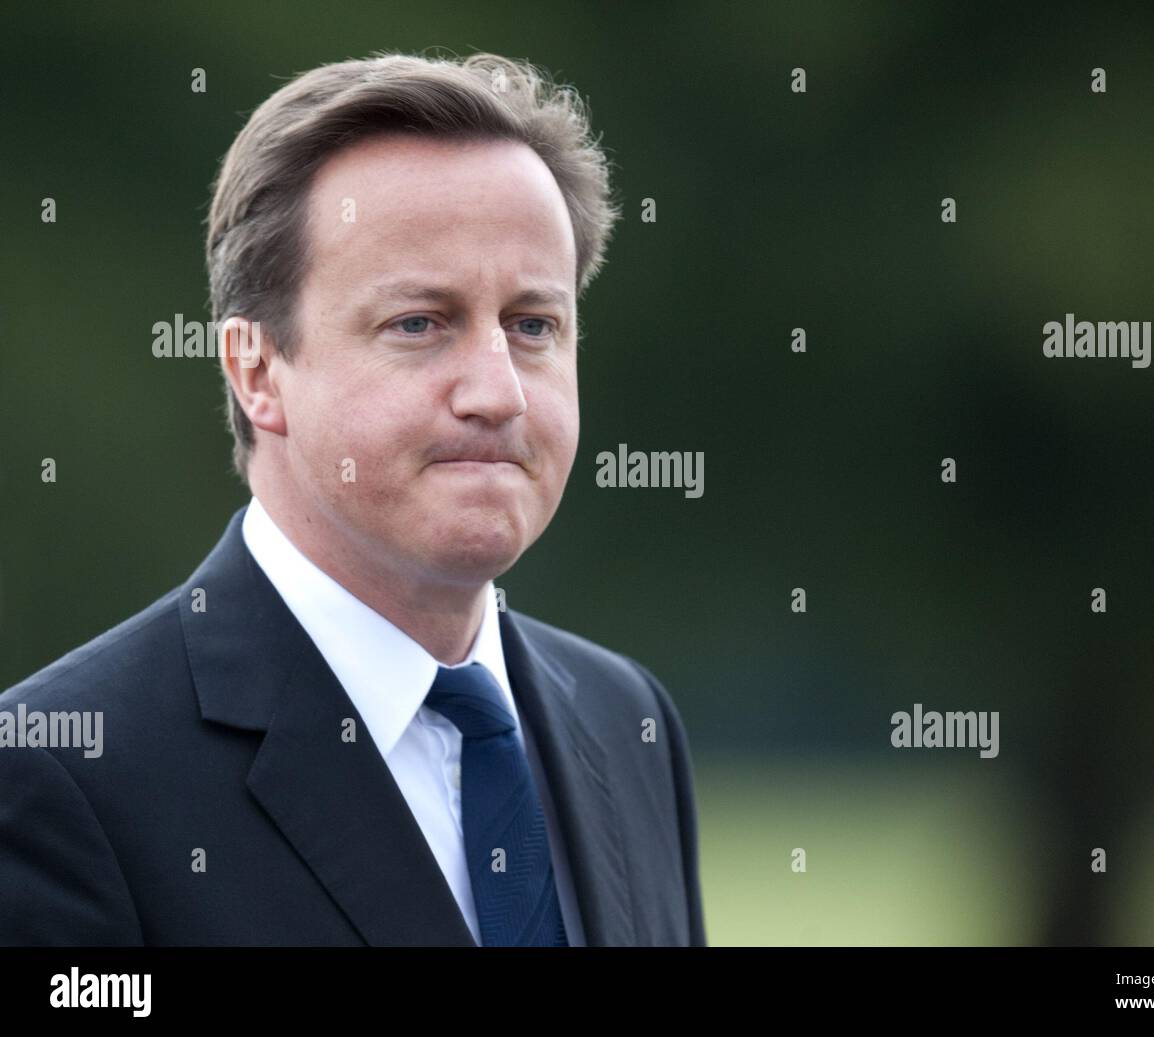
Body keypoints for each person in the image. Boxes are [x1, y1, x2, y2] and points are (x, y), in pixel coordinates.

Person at [0, 51, 706, 947]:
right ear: (256, 370)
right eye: (418, 323)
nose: (498, 392)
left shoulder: (628, 722)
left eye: (533, 325)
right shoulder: (59, 774)